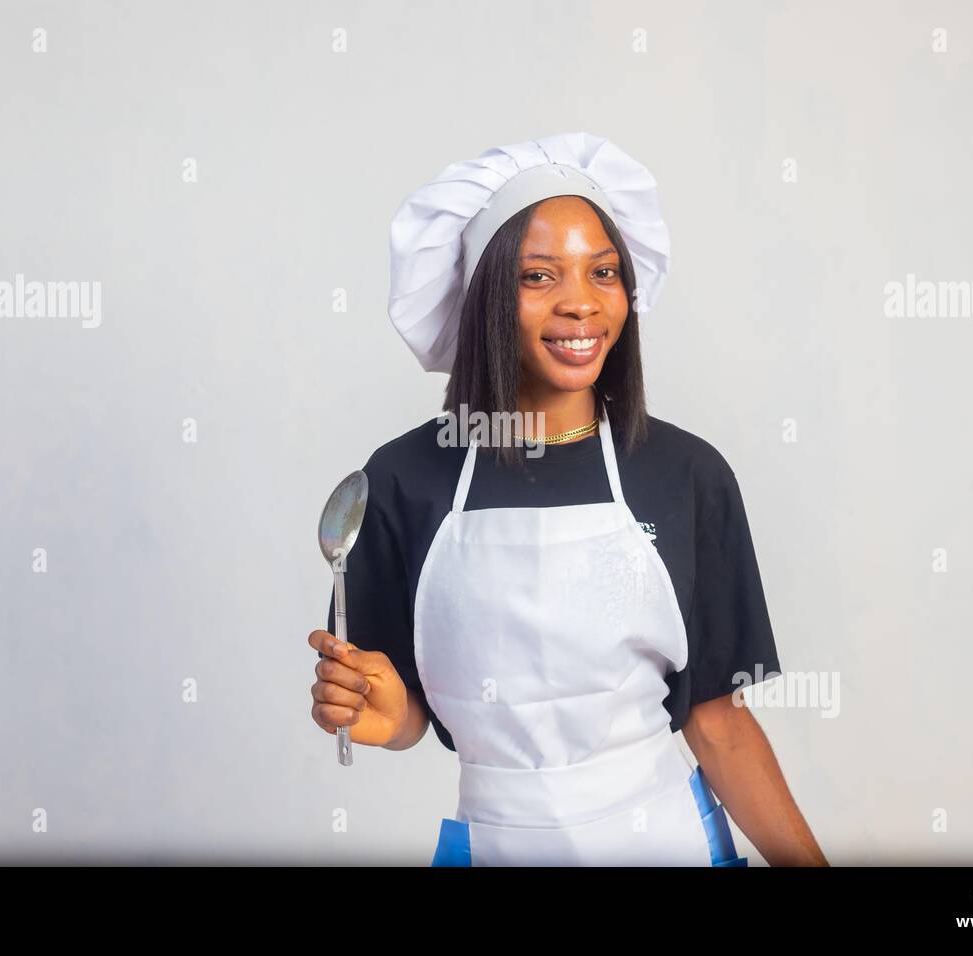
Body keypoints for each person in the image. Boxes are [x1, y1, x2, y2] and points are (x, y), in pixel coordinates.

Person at [308, 132, 827, 866]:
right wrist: (382, 713)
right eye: (539, 276)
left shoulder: (685, 474)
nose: (581, 304)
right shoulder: (403, 481)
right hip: (493, 845)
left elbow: (718, 725)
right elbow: (402, 710)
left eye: (604, 272)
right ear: (485, 295)